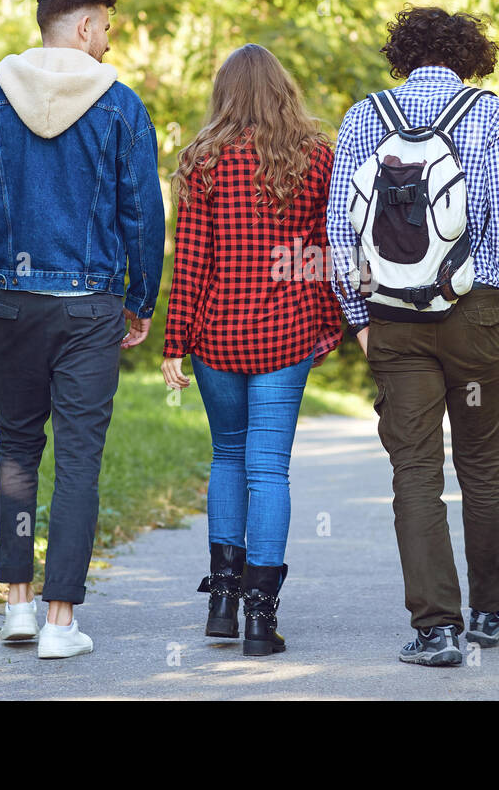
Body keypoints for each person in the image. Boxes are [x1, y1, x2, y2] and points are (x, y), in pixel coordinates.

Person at [0, 0, 164, 659]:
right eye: (108, 28)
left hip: (12, 301)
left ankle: (16, 607)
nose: (109, 41)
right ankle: (60, 621)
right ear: (86, 27)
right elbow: (143, 216)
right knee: (78, 460)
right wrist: (140, 299)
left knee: (16, 451)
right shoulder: (122, 107)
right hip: (91, 305)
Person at [327, 7, 499, 667]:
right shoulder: (493, 114)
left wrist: (358, 317)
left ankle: (435, 629)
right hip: (476, 311)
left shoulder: (366, 115)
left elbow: (339, 226)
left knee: (415, 471)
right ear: (470, 55)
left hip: (393, 317)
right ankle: (492, 610)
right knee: (483, 466)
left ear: (402, 55)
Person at [162, 44, 341, 657]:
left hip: (216, 333)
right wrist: (328, 325)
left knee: (226, 459)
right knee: (269, 470)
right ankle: (261, 620)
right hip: (285, 332)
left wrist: (174, 343)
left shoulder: (200, 160)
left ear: (225, 94)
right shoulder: (317, 157)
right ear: (282, 90)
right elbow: (326, 252)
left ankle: (221, 603)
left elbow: (190, 262)